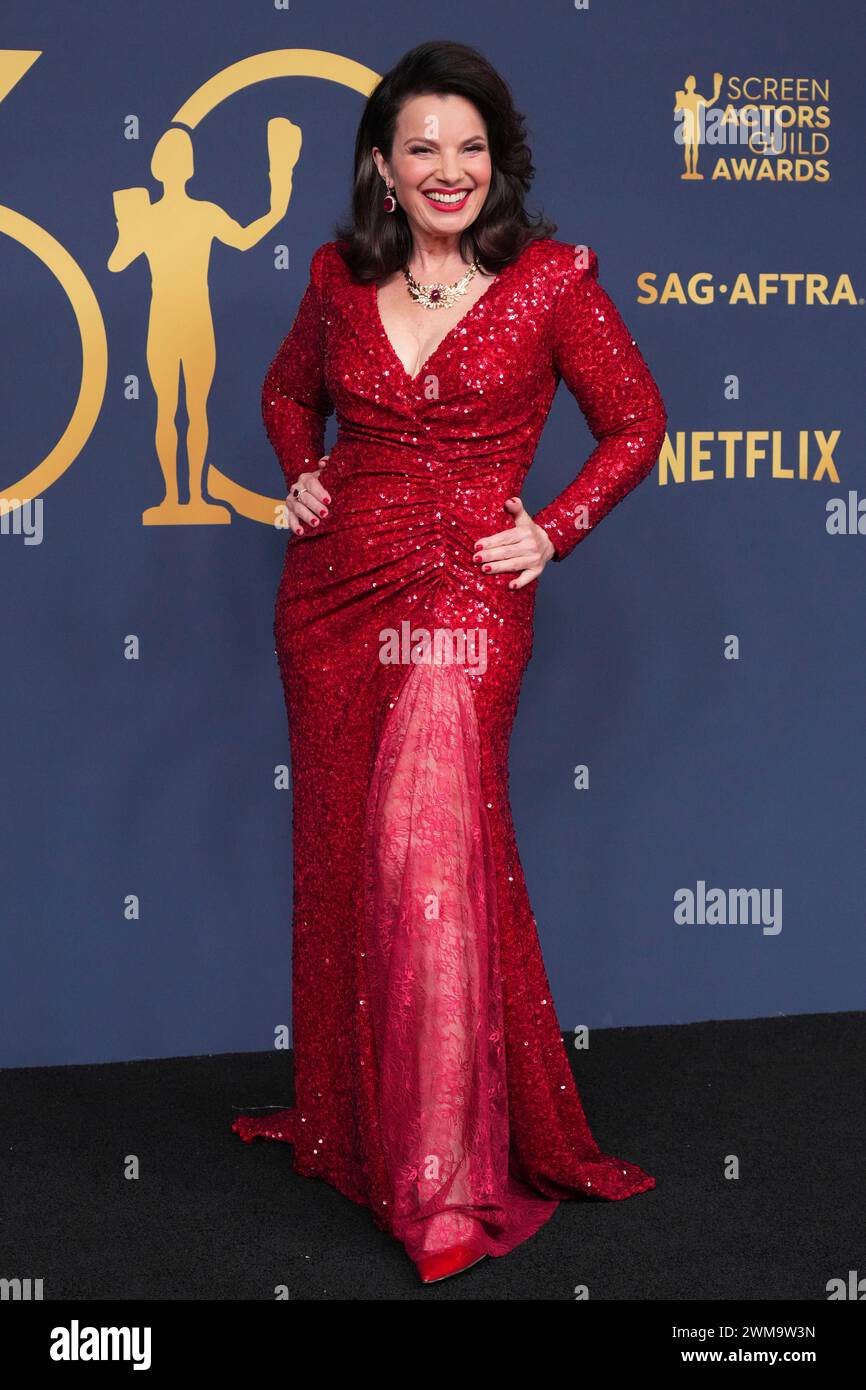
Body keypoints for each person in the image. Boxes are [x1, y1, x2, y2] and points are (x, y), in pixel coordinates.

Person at [233, 39, 667, 1286]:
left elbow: (634, 419)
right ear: (380, 164)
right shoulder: (332, 279)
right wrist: (301, 477)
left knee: (429, 846)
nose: (446, 168)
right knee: (348, 852)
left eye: (468, 146)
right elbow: (281, 397)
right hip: (330, 603)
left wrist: (554, 527)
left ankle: (441, 1178)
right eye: (420, 145)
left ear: (498, 161)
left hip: (470, 596)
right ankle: (355, 1125)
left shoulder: (549, 282)